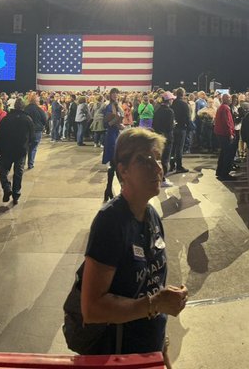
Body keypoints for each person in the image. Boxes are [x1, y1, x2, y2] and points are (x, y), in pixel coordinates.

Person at [77, 128, 189, 365]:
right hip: (119, 355)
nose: (158, 168)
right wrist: (156, 303)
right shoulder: (111, 222)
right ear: (123, 170)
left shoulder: (151, 215)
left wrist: (162, 349)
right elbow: (92, 308)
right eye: (144, 160)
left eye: (157, 158)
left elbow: (151, 284)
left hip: (149, 350)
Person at [0, 98, 35, 206]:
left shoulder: (6, 118)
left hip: (6, 149)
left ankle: (7, 188)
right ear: (23, 107)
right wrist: (27, 146)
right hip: (20, 150)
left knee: (3, 170)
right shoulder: (27, 119)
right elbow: (32, 137)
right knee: (18, 173)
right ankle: (16, 194)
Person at [152, 92, 176, 179]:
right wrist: (173, 124)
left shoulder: (158, 109)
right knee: (165, 158)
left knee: (159, 158)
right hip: (167, 137)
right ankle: (163, 178)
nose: (172, 101)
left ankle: (159, 176)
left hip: (158, 136)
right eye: (172, 99)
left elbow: (154, 123)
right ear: (169, 100)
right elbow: (169, 127)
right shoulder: (169, 111)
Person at [213, 94, 236, 181]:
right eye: (229, 98)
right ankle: (224, 173)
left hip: (220, 133)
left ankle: (220, 171)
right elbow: (227, 122)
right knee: (227, 154)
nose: (231, 99)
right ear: (225, 99)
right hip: (225, 134)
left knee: (223, 153)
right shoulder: (225, 108)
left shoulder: (221, 107)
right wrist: (230, 133)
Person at [170, 88, 191, 174]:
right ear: (183, 94)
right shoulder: (184, 104)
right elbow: (187, 117)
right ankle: (179, 166)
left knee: (173, 148)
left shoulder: (172, 103)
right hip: (181, 128)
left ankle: (171, 165)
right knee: (179, 148)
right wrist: (189, 127)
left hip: (173, 127)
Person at [24, 92, 47, 170]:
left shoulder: (25, 108)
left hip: (26, 131)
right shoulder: (39, 109)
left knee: (25, 147)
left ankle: (22, 163)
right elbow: (44, 119)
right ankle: (30, 164)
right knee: (33, 148)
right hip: (37, 131)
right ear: (36, 101)